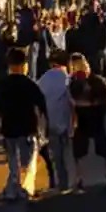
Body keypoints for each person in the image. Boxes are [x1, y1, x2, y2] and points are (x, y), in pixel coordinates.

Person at [0, 47, 47, 201]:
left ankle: (12, 188)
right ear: (24, 65)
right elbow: (41, 105)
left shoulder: (1, 85)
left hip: (8, 128)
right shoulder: (30, 84)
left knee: (13, 162)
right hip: (28, 128)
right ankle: (24, 189)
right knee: (27, 162)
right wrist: (43, 127)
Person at [68, 53, 106, 191]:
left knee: (101, 148)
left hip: (94, 117)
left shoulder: (96, 81)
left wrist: (92, 105)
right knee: (79, 151)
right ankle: (80, 178)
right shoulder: (73, 82)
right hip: (84, 120)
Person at [37, 50, 74, 192]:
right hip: (65, 121)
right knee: (66, 155)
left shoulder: (44, 78)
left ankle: (58, 183)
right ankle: (68, 182)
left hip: (49, 121)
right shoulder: (67, 78)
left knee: (56, 156)